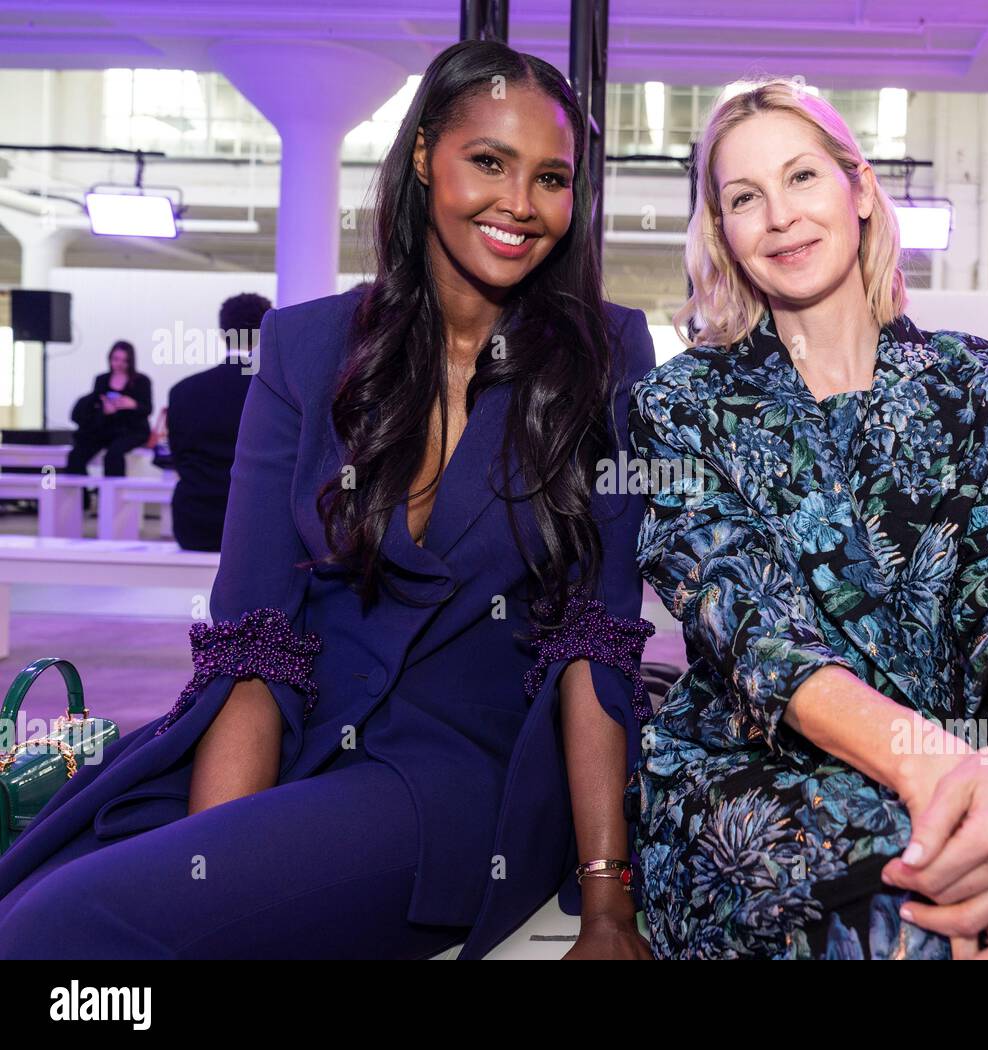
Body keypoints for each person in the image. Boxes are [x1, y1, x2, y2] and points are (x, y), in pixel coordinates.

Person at [0, 40, 655, 961]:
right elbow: (257, 642)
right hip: (288, 753)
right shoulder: (306, 348)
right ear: (425, 156)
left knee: (64, 930)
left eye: (550, 178)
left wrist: (606, 905)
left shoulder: (605, 353)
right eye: (489, 162)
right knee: (33, 900)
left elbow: (597, 642)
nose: (519, 203)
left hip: (460, 782)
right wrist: (215, 864)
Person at [625, 80, 988, 960]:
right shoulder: (677, 405)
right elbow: (758, 630)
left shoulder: (983, 386)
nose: (780, 217)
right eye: (744, 197)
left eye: (802, 177)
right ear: (722, 232)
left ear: (860, 191)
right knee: (913, 907)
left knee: (986, 900)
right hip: (753, 774)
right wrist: (950, 778)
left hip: (971, 758)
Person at [166, 293, 272, 552]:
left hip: (194, 523)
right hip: (254, 528)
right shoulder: (275, 392)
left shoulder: (183, 391)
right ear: (265, 332)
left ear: (223, 333)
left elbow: (179, 458)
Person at [66, 341, 154, 477]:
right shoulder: (101, 379)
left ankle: (112, 496)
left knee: (113, 455)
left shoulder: (142, 381)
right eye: (116, 359)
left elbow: (147, 409)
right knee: (77, 455)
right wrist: (105, 410)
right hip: (106, 428)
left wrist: (133, 405)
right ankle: (83, 496)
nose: (119, 364)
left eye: (124, 360)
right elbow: (95, 404)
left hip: (132, 430)